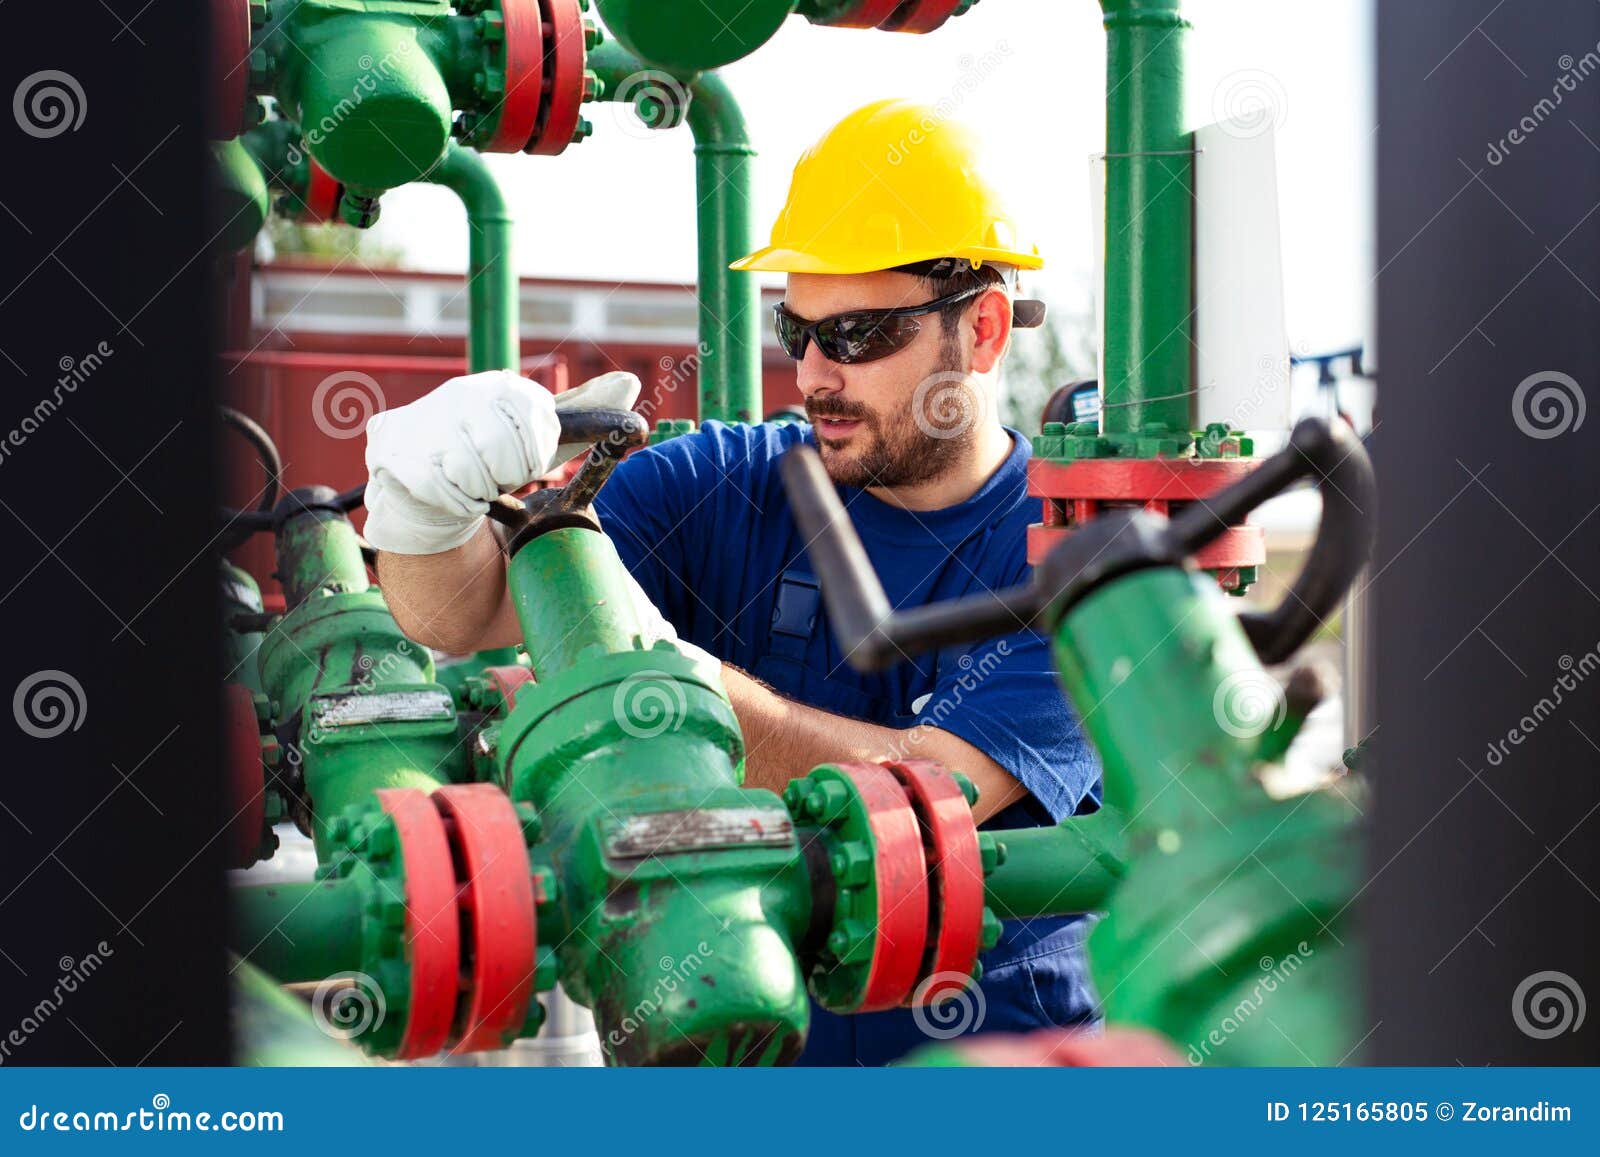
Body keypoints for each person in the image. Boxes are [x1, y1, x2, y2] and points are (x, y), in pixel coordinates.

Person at [362, 98, 1103, 1065]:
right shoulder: (722, 484)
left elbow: (929, 794)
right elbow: (469, 615)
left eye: (860, 336)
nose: (813, 374)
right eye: (799, 329)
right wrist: (425, 512)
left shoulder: (1072, 553)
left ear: (985, 329)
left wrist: (675, 697)